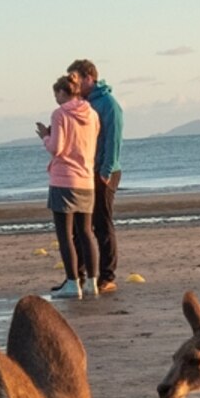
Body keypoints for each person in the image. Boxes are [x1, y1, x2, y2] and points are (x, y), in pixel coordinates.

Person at [66, 57, 124, 292]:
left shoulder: (108, 104)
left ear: (89, 78)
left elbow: (113, 139)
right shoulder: (82, 103)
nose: (73, 83)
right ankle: (78, 275)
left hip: (104, 171)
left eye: (76, 78)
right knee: (80, 226)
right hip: (84, 172)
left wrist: (106, 170)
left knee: (102, 224)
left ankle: (108, 276)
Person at [38, 75, 98, 298]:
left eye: (57, 94)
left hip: (64, 179)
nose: (55, 98)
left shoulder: (60, 114)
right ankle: (91, 281)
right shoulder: (92, 114)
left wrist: (46, 136)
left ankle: (73, 282)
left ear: (64, 93)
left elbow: (57, 148)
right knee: (85, 232)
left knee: (65, 235)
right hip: (86, 178)